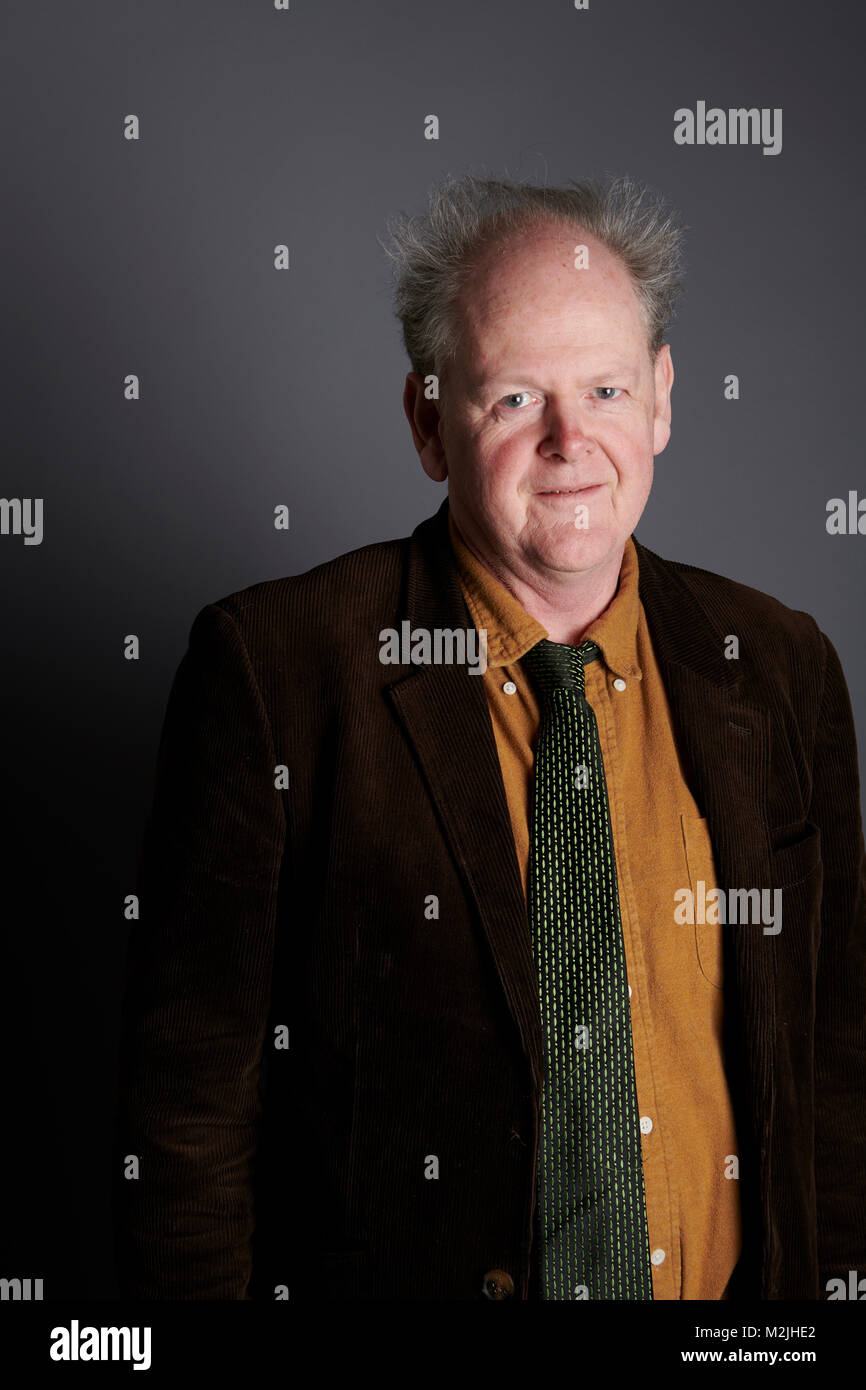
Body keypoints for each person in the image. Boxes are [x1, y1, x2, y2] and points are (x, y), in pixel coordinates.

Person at [114, 173, 866, 1301]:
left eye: (606, 388)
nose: (573, 440)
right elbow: (187, 1125)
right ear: (427, 421)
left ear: (661, 398)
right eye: (514, 398)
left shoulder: (779, 663)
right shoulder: (276, 671)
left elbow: (832, 1074)